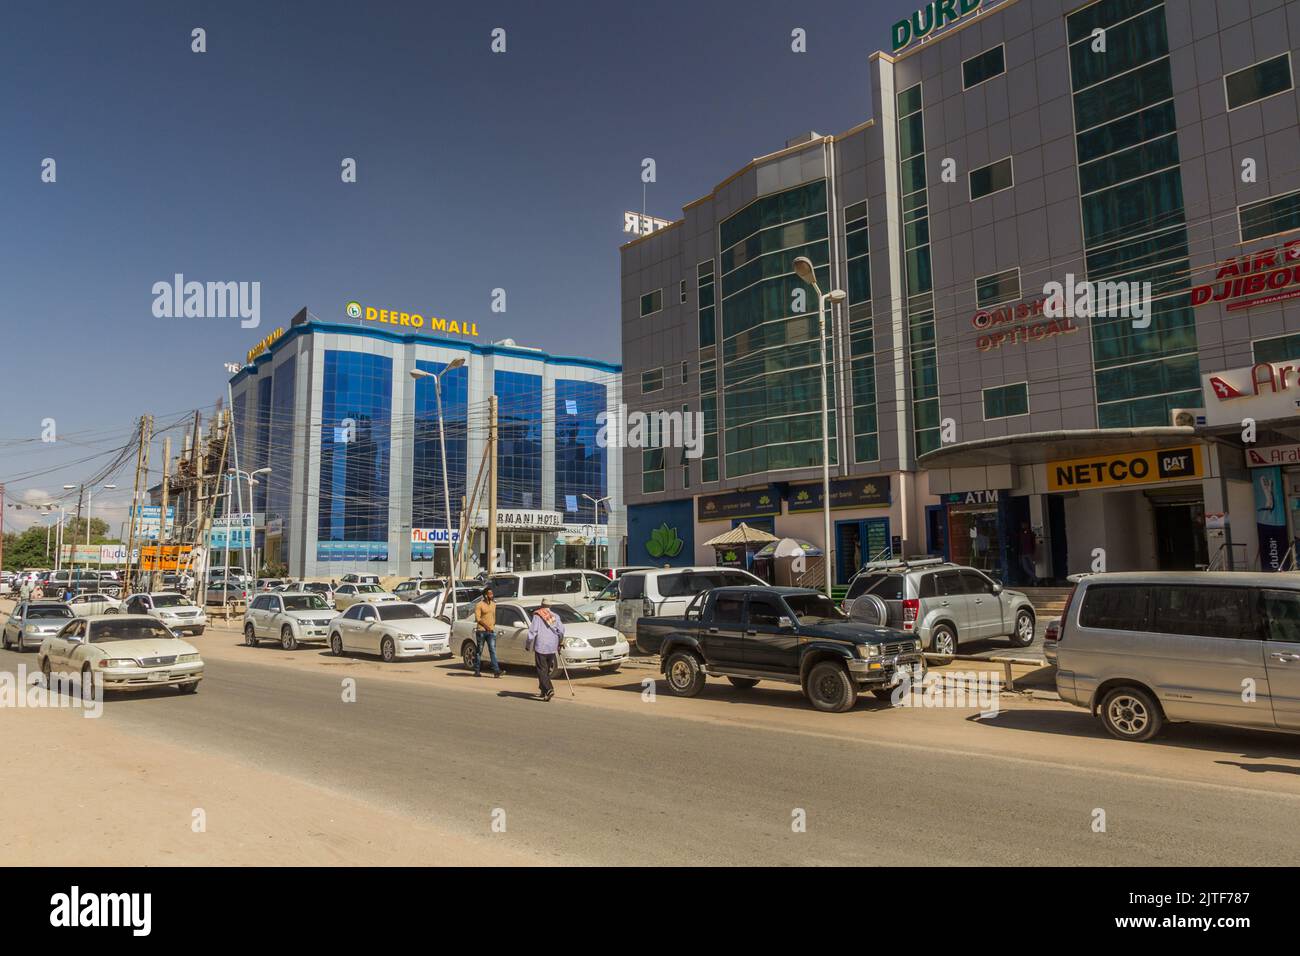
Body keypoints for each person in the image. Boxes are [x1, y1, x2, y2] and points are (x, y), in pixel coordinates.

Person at [526, 598, 565, 702]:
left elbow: (533, 631)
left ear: (541, 605)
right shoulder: (555, 616)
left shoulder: (537, 615)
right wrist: (560, 642)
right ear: (550, 606)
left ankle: (549, 689)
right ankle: (543, 690)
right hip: (552, 646)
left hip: (541, 646)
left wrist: (528, 643)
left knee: (541, 670)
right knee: (546, 670)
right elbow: (561, 631)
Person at [472, 586, 502, 678]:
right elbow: (478, 618)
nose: (492, 595)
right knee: (479, 651)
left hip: (491, 631)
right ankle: (477, 670)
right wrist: (486, 627)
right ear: (485, 595)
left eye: (492, 594)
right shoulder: (479, 605)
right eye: (490, 594)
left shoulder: (493, 604)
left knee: (492, 650)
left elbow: (493, 617)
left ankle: (496, 671)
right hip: (481, 631)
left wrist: (492, 627)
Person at [1018, 522, 1038, 586]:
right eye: (1022, 525)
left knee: (1032, 567)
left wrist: (1034, 552)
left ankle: (1034, 581)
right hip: (1024, 553)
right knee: (1026, 568)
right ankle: (1036, 579)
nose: (1023, 526)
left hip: (1030, 553)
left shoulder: (1031, 533)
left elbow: (1034, 544)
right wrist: (1020, 554)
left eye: (1024, 525)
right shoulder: (1021, 533)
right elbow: (1020, 545)